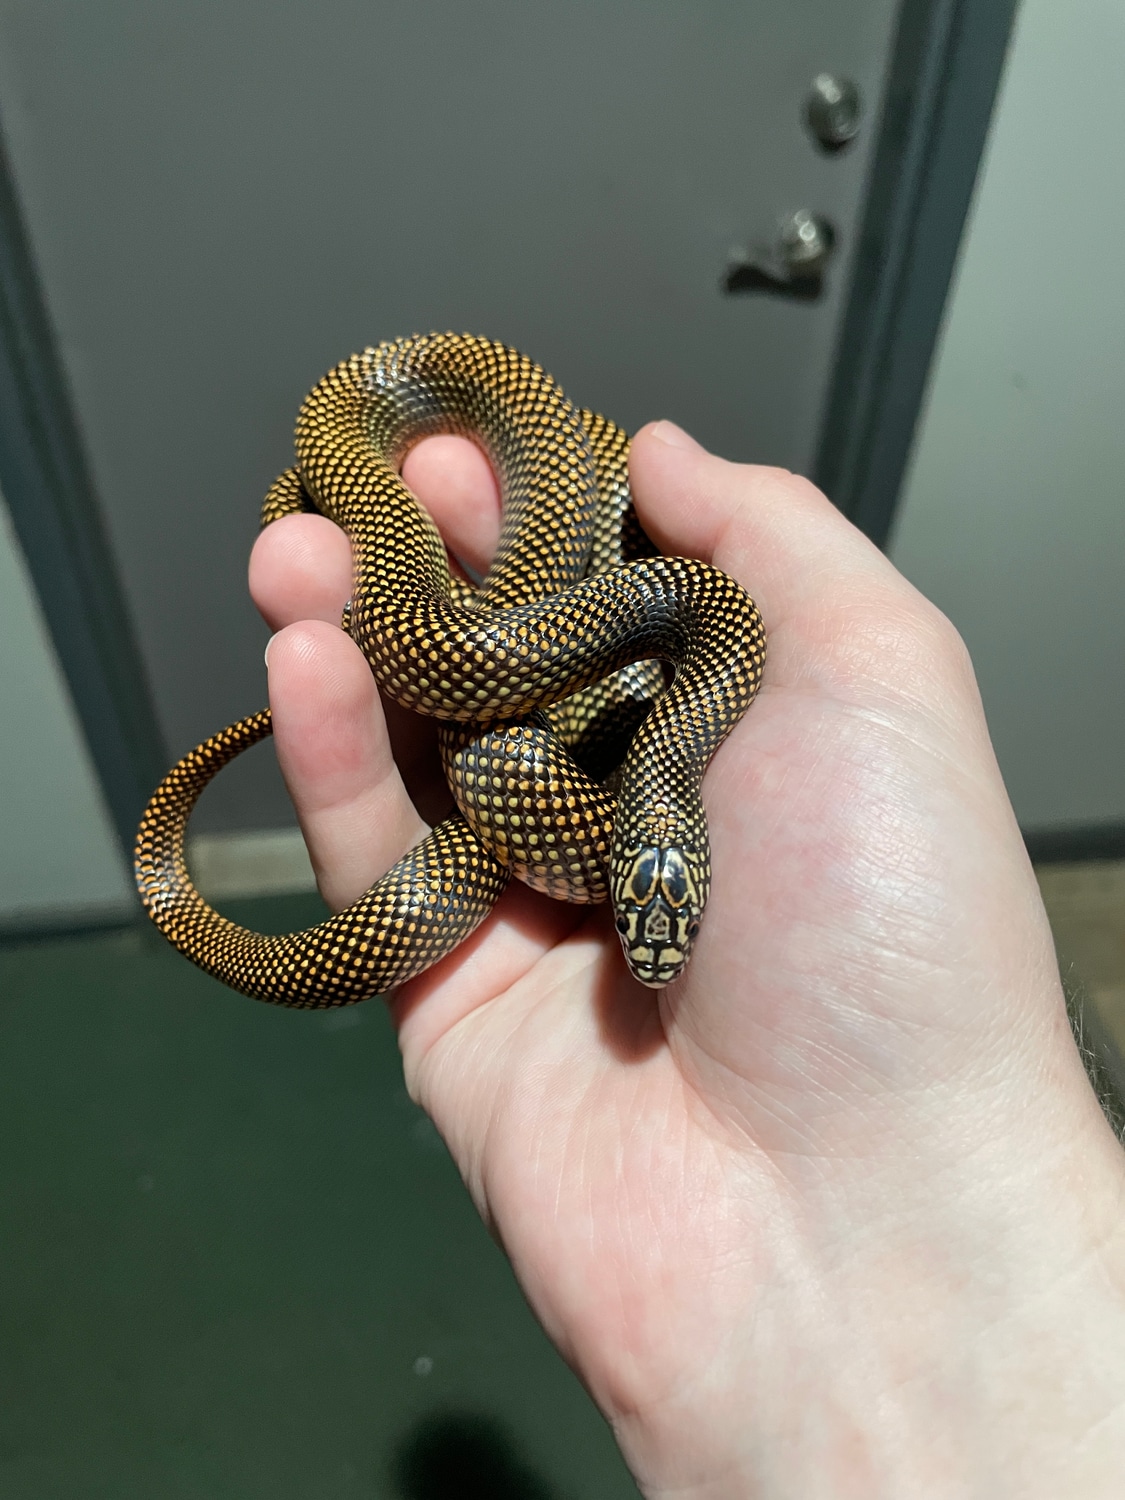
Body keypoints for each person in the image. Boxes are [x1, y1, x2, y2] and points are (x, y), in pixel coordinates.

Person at [249, 421, 1125, 1497]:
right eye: (638, 914)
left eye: (654, 919)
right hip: (519, 657)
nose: (650, 956)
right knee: (398, 639)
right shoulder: (671, 686)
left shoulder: (693, 674)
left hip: (545, 693)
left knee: (458, 693)